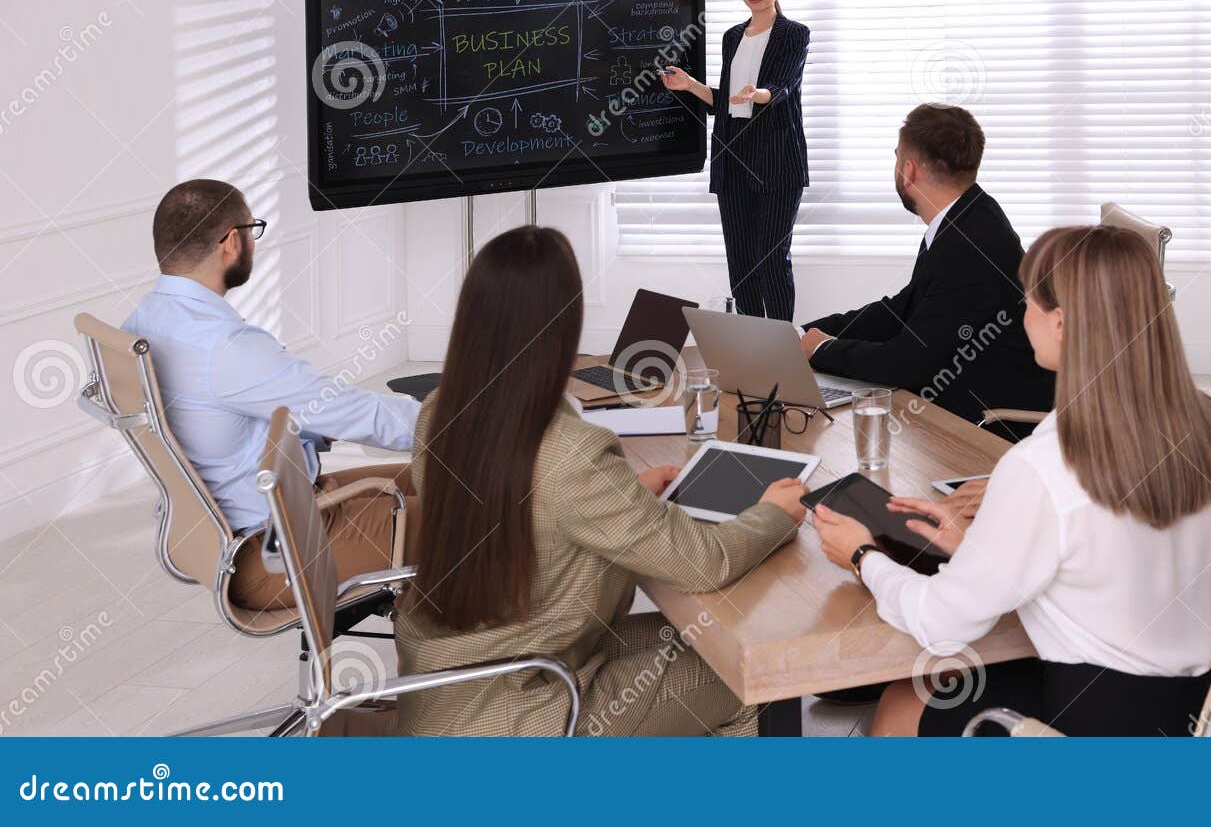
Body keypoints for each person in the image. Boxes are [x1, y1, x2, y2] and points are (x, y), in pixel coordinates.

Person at [812, 225, 1211, 736]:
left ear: (1061, 323)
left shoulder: (1044, 464)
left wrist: (864, 557)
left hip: (1090, 723)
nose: (1021, 315)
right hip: (1195, 707)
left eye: (1028, 300)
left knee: (906, 702)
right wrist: (979, 544)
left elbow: (941, 626)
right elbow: (1112, 554)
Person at [395, 225, 807, 737]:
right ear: (564, 326)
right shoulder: (571, 454)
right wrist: (774, 513)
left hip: (449, 688)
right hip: (525, 707)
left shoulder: (436, 414)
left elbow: (523, 503)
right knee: (752, 673)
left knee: (711, 636)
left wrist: (621, 494)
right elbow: (705, 561)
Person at [121, 180, 418, 609]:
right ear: (230, 242)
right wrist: (462, 421)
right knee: (486, 515)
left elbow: (221, 427)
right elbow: (360, 415)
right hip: (279, 553)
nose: (252, 242)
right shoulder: (224, 345)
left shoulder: (143, 321)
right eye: (251, 229)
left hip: (254, 532)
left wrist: (309, 429)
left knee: (448, 477)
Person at [799, 103, 1052, 440]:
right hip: (957, 397)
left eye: (896, 158)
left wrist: (821, 350)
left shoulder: (972, 243)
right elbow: (903, 309)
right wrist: (805, 333)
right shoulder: (967, 217)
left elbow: (908, 362)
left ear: (909, 169)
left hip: (987, 425)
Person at [661, 0, 809, 320]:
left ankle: (780, 349)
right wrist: (690, 85)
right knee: (741, 265)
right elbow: (726, 101)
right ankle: (750, 347)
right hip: (734, 159)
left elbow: (784, 86)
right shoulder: (731, 37)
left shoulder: (795, 34)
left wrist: (758, 95)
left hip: (777, 161)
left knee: (772, 260)